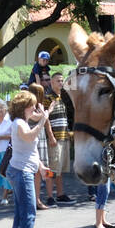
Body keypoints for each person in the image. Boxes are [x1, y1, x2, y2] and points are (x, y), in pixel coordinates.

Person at [5, 90, 51, 228]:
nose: (33, 108)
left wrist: (40, 166)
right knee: (29, 211)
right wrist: (44, 120)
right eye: (31, 105)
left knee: (20, 210)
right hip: (21, 172)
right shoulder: (19, 124)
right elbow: (30, 137)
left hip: (21, 169)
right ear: (24, 107)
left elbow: (29, 148)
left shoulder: (21, 122)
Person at [45, 72, 74, 206]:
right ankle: (50, 196)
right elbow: (46, 120)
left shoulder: (62, 97)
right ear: (51, 82)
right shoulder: (47, 97)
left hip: (64, 137)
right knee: (52, 168)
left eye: (62, 81)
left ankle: (60, 194)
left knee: (60, 169)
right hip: (55, 138)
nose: (61, 83)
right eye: (58, 81)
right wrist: (50, 136)